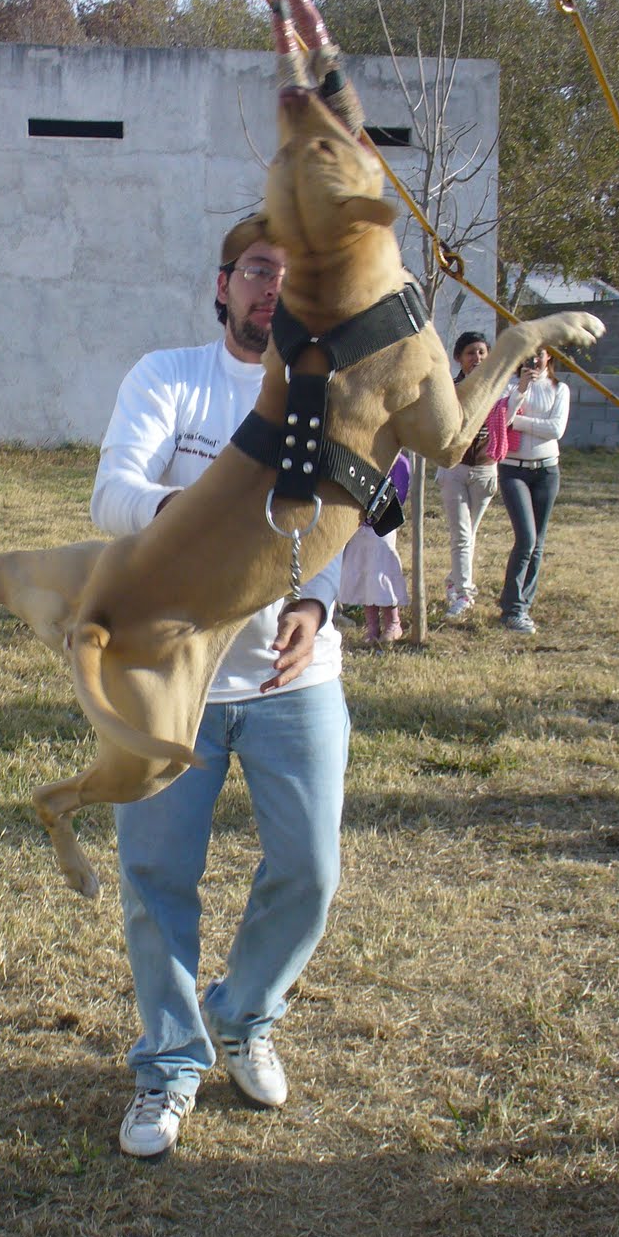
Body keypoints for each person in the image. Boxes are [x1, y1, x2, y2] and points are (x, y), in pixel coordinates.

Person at [90, 215, 349, 1159]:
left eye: (288, 274)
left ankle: (243, 1013)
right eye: (254, 269)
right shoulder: (168, 376)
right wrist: (208, 520)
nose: (270, 287)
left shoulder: (328, 394)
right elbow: (114, 493)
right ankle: (167, 1064)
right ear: (223, 284)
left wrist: (315, 601)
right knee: (157, 877)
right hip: (168, 674)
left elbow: (343, 521)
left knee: (310, 873)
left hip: (293, 681)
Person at [435, 331, 509, 619]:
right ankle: (464, 593)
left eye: (481, 352)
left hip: (486, 468)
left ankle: (453, 580)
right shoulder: (449, 390)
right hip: (455, 468)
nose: (477, 358)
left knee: (469, 534)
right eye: (470, 353)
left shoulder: (499, 388)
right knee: (462, 534)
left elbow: (509, 418)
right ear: (459, 358)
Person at [497, 345, 568, 634]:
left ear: (548, 356)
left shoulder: (559, 388)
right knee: (525, 538)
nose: (534, 359)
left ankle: (520, 606)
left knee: (538, 542)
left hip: (546, 470)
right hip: (513, 470)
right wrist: (521, 389)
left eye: (540, 353)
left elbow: (555, 430)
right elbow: (503, 419)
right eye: (528, 353)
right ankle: (512, 609)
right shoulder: (509, 386)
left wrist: (521, 423)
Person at [339, 451, 411, 644]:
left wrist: (376, 513)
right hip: (359, 524)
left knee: (382, 570)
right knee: (364, 572)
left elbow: (399, 496)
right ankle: (372, 626)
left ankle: (393, 623)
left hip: (382, 524)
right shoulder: (363, 459)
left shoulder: (400, 463)